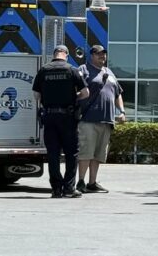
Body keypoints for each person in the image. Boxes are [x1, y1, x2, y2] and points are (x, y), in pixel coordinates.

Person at [33, 45, 89, 198]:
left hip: (49, 117)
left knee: (53, 154)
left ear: (54, 55)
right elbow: (85, 93)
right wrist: (73, 97)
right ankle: (69, 188)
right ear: (66, 55)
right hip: (68, 117)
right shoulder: (72, 70)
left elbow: (36, 95)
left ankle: (56, 189)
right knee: (72, 153)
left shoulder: (44, 70)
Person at [76, 45, 126, 194]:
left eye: (104, 54)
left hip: (106, 121)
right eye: (98, 54)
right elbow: (75, 89)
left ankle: (92, 183)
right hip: (88, 119)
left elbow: (118, 94)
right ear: (91, 55)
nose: (102, 56)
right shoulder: (83, 69)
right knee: (86, 152)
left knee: (98, 154)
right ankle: (80, 182)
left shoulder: (109, 72)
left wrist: (122, 111)